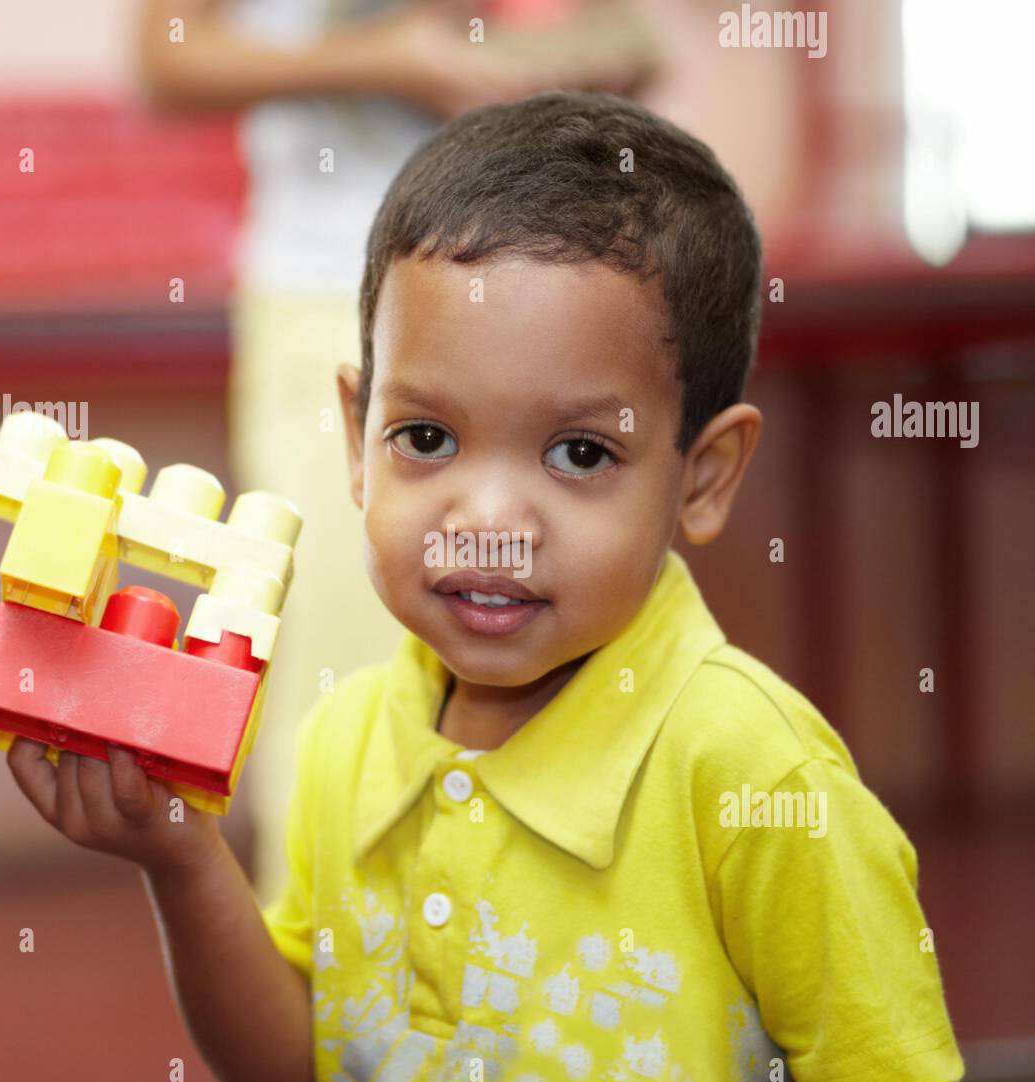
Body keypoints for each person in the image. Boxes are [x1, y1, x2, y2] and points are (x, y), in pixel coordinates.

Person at [6, 89, 966, 1082]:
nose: (488, 519)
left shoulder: (753, 773)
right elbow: (297, 1079)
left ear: (702, 476)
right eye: (425, 438)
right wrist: (182, 859)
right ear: (355, 437)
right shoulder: (345, 741)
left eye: (579, 452)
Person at [136, 0, 653, 908]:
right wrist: (388, 59)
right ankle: (326, 968)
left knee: (537, 650)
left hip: (520, 286)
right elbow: (167, 58)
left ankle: (518, 958)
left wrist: (506, 70)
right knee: (342, 665)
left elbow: (629, 39)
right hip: (325, 290)